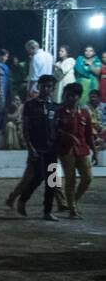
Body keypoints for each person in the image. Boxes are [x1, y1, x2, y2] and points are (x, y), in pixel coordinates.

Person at [11, 74, 61, 220]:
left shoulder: (55, 107)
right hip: (37, 148)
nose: (46, 89)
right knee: (38, 176)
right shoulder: (30, 105)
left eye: (49, 86)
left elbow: (58, 129)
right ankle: (22, 200)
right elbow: (26, 129)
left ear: (53, 88)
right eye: (43, 86)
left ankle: (47, 211)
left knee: (52, 180)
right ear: (39, 86)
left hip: (52, 149)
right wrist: (30, 148)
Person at [56, 83, 92, 219]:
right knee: (70, 181)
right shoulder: (59, 112)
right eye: (67, 95)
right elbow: (54, 130)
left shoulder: (84, 112)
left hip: (82, 149)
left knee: (88, 178)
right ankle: (72, 208)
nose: (69, 98)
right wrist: (67, 135)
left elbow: (88, 134)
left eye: (72, 96)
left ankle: (73, 202)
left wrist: (93, 150)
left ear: (78, 97)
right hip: (66, 150)